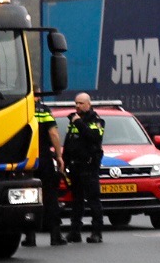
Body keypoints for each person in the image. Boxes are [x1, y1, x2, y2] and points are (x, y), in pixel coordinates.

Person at [61, 92, 107, 244]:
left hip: (89, 166)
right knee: (76, 201)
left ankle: (97, 232)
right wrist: (64, 161)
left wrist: (79, 122)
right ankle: (75, 232)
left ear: (89, 104)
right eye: (76, 103)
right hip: (75, 166)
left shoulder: (97, 121)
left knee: (93, 200)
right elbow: (69, 141)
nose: (77, 106)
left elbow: (94, 137)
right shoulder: (74, 121)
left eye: (81, 103)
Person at [25, 101, 61, 247]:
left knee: (26, 197)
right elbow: (53, 133)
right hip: (44, 159)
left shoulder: (22, 109)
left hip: (26, 159)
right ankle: (55, 235)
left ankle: (30, 236)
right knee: (50, 197)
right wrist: (59, 155)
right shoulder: (44, 111)